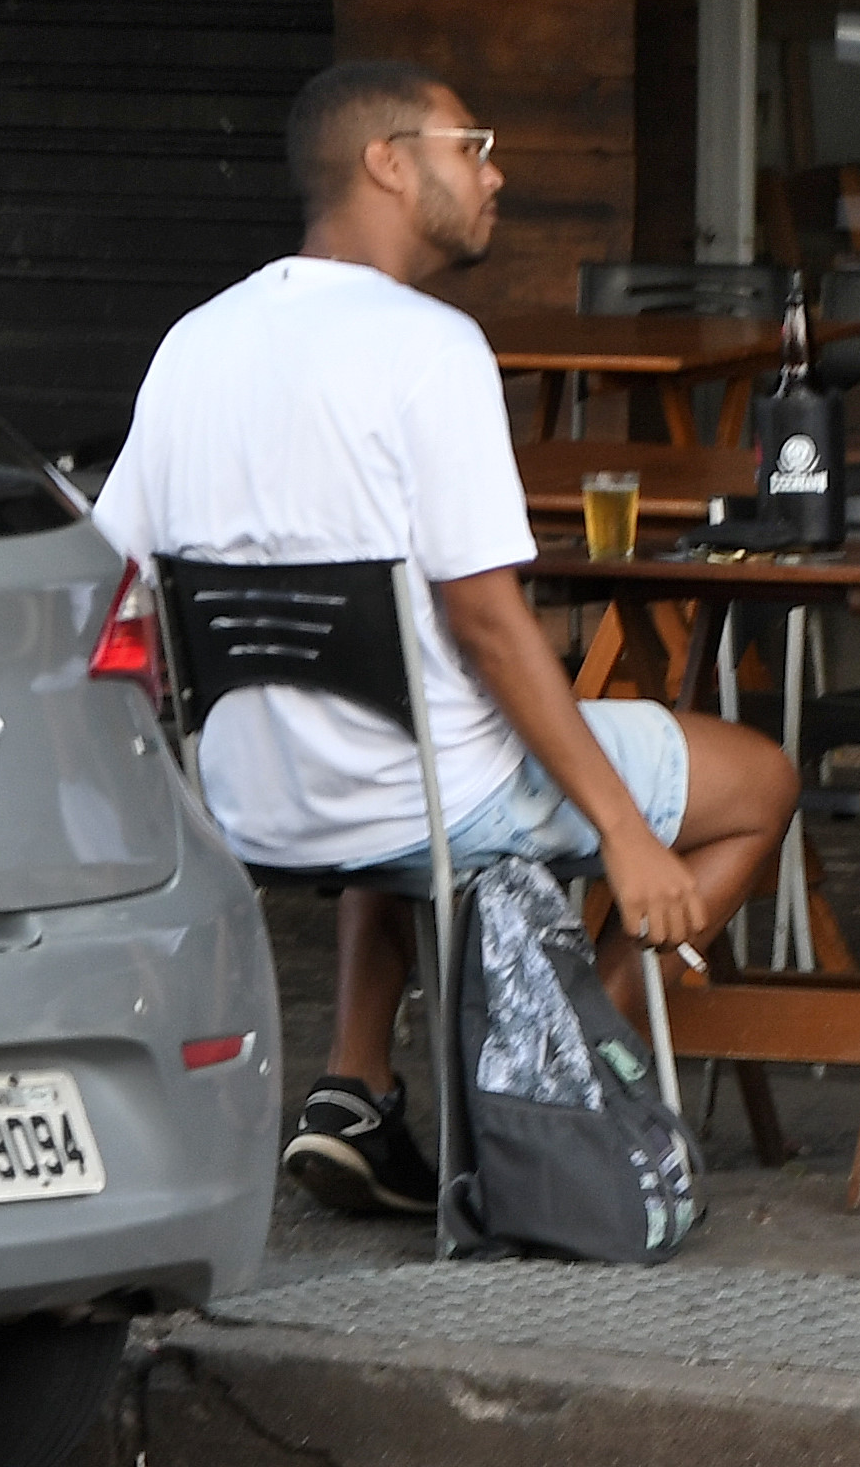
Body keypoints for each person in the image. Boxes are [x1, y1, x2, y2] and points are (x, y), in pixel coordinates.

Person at [97, 59, 796, 1218]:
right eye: (469, 145)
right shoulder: (431, 347)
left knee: (405, 736)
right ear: (386, 162)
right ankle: (542, 1082)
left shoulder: (196, 340)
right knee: (761, 779)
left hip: (251, 800)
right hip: (427, 796)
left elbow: (116, 570)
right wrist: (625, 835)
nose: (497, 173)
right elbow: (484, 617)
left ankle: (355, 1092)